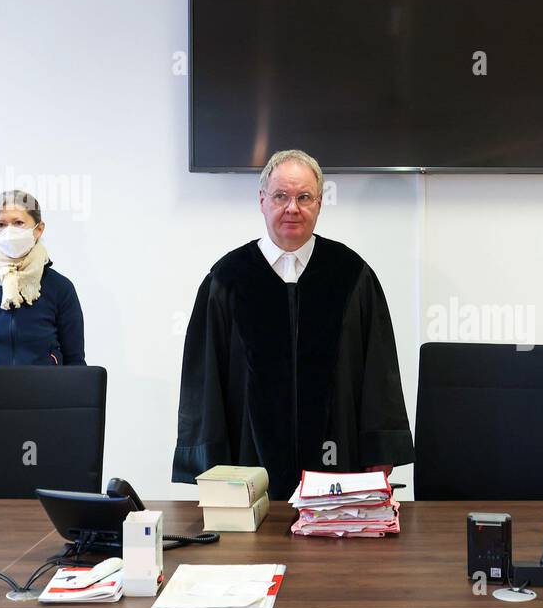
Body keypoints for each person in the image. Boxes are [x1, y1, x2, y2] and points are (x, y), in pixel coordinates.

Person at [173, 149, 414, 500]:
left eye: (304, 197)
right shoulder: (227, 280)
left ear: (319, 202)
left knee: (334, 554)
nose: (292, 208)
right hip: (247, 477)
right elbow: (205, 383)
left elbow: (378, 375)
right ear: (262, 200)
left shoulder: (350, 275)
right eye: (281, 196)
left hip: (337, 472)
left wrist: (379, 456)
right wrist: (212, 468)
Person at [0, 190, 86, 424]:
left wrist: (77, 429)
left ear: (39, 229)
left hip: (46, 411)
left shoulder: (60, 289)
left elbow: (76, 365)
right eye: (1, 224)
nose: (9, 231)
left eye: (18, 222)